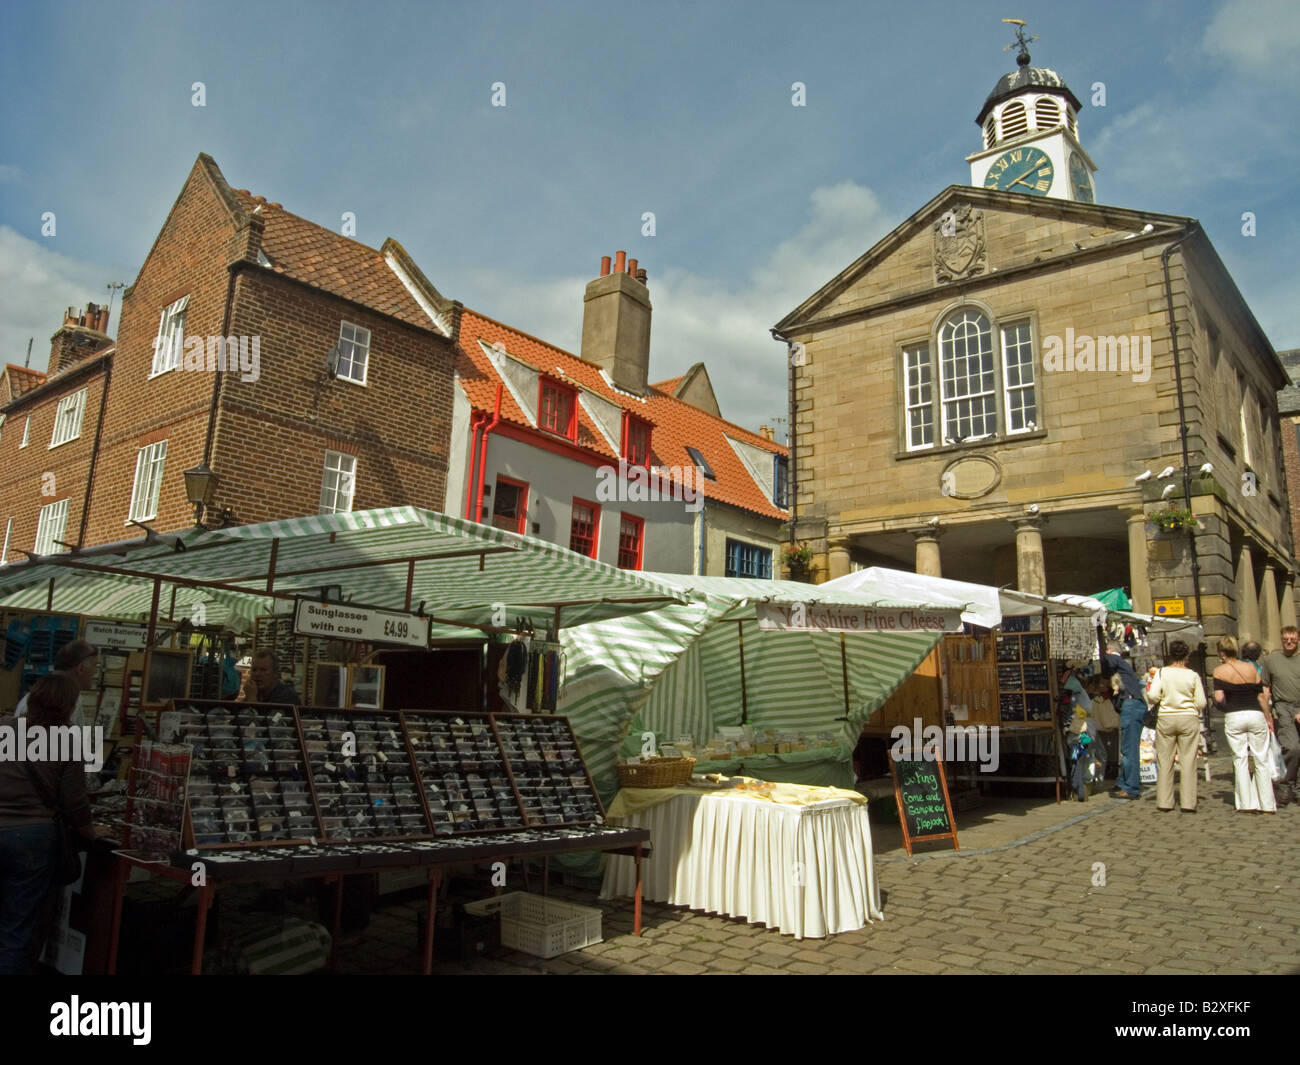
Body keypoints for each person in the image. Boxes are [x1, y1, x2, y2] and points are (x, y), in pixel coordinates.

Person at [0, 673, 116, 974]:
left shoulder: (4, 729)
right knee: (17, 926)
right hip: (33, 837)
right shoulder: (68, 740)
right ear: (68, 705)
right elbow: (74, 801)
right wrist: (90, 832)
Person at [1211, 636, 1276, 813]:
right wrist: (1268, 718)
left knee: (1240, 759)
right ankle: (1268, 804)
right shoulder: (1250, 668)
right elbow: (1261, 696)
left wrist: (1222, 705)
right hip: (1255, 714)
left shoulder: (1219, 671)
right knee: (1261, 759)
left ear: (1222, 653)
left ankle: (1246, 804)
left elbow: (1219, 697)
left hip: (1234, 715)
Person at [1146, 640, 1206, 813]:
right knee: (1188, 760)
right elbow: (1201, 702)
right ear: (1186, 655)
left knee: (1165, 761)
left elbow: (1153, 695)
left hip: (1166, 718)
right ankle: (1188, 802)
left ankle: (1165, 801)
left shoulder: (1162, 673)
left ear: (1169, 655)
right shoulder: (1193, 675)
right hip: (1188, 718)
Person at [13, 640, 100, 727]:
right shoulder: (56, 702)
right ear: (81, 668)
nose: (96, 671)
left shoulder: (70, 698)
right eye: (94, 665)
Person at [1101, 641, 1146, 799]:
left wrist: (1099, 649)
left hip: (1131, 705)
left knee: (1129, 749)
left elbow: (1107, 659)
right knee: (1126, 747)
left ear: (1111, 650)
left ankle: (1131, 787)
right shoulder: (1122, 666)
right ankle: (1124, 782)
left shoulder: (1116, 659)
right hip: (1132, 705)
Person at [1260, 626, 1300, 801]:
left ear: (1298, 639)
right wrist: (1267, 713)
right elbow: (1265, 687)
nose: (1289, 642)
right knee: (1292, 747)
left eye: (1292, 639)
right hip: (1283, 707)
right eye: (1286, 639)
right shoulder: (1272, 660)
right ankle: (1285, 784)